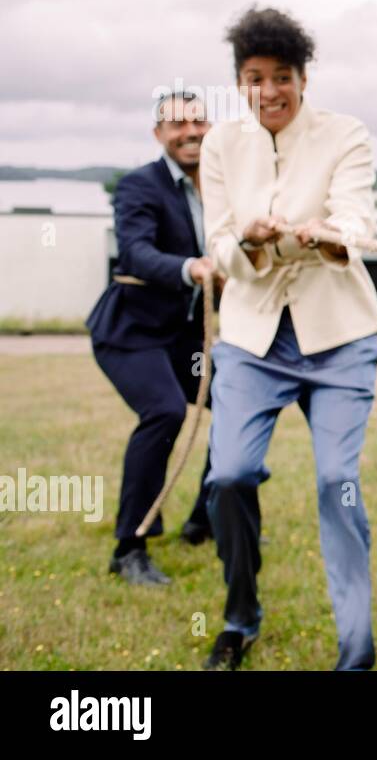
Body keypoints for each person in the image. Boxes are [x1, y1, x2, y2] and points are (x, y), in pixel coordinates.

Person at [199, 6, 377, 671]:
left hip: (338, 338)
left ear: (303, 78)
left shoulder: (345, 135)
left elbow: (357, 220)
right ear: (239, 81)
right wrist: (244, 241)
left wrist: (331, 236)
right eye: (255, 78)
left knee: (338, 480)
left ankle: (356, 654)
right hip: (252, 338)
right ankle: (239, 616)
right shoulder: (220, 144)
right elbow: (217, 240)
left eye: (283, 76)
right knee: (230, 476)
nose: (270, 91)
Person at [87, 88, 222, 587]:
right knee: (164, 412)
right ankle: (130, 548)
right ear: (159, 134)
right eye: (177, 124)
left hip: (183, 335)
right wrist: (193, 267)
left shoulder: (220, 186)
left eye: (198, 121)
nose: (190, 131)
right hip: (130, 332)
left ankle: (205, 520)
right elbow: (137, 254)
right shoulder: (138, 187)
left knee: (239, 399)